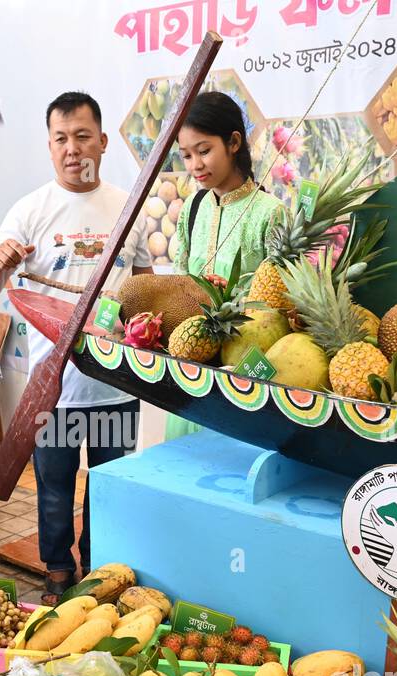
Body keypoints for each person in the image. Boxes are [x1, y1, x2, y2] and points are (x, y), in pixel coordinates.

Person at [0, 92, 150, 604]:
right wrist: (2, 260)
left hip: (117, 383)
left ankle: (99, 571)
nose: (72, 148)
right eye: (60, 139)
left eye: (81, 136)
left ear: (101, 140)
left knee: (108, 486)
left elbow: (144, 290)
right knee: (53, 488)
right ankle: (57, 570)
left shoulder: (128, 207)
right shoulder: (30, 210)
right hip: (52, 391)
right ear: (49, 147)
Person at [167, 90, 285, 440]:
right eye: (186, 155)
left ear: (234, 142)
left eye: (204, 151)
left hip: (244, 373)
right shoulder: (191, 209)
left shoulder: (271, 213)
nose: (195, 166)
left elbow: (281, 303)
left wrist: (232, 298)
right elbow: (179, 280)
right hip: (190, 368)